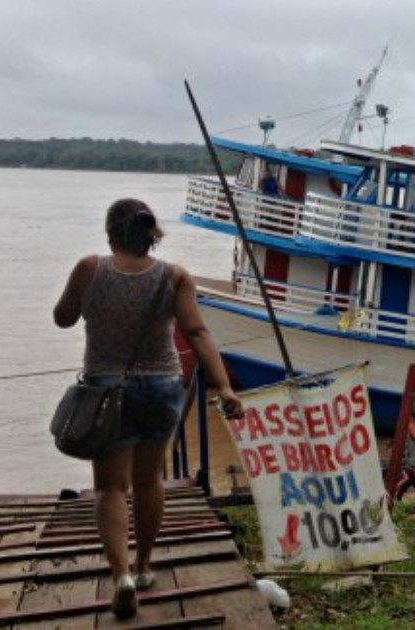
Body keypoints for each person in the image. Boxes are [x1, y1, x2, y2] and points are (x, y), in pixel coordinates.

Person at [53, 199, 244, 619]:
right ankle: (142, 567)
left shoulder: (90, 268)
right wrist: (226, 387)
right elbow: (196, 331)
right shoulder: (174, 277)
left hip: (106, 389)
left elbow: (62, 319)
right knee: (149, 481)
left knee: (110, 488)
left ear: (109, 233)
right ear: (149, 234)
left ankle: (120, 576)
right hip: (161, 387)